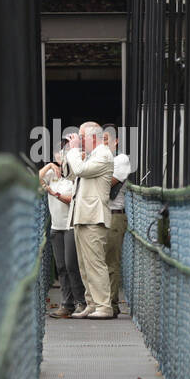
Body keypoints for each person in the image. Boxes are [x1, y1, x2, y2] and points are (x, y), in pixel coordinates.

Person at [65, 122, 114, 319]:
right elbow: (70, 175)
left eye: (81, 136)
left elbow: (80, 170)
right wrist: (71, 153)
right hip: (83, 215)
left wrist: (74, 151)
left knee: (95, 263)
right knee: (85, 265)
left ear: (93, 138)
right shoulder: (91, 156)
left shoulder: (103, 154)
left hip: (94, 217)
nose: (78, 140)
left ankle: (104, 305)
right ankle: (92, 304)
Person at [39, 158, 85, 319]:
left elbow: (71, 200)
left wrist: (53, 193)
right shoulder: (52, 174)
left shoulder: (77, 176)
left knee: (71, 265)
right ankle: (66, 304)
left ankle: (81, 302)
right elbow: (35, 179)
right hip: (56, 227)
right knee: (61, 267)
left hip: (71, 226)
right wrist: (49, 165)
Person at [101, 125, 130, 317]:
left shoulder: (121, 159)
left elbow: (104, 183)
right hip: (100, 215)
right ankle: (100, 303)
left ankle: (111, 304)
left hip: (114, 215)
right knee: (99, 261)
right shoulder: (101, 160)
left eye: (106, 140)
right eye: (100, 140)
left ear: (115, 141)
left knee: (110, 262)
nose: (103, 144)